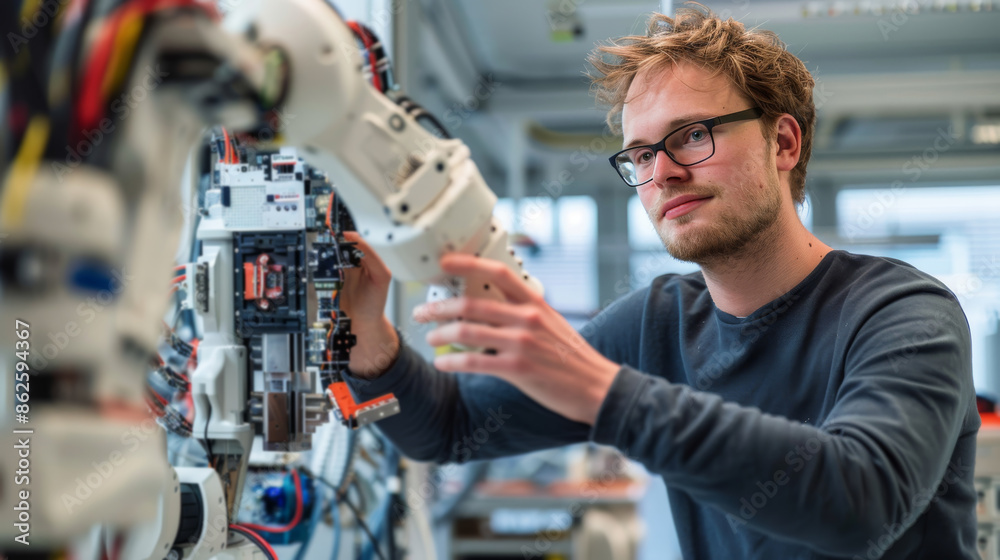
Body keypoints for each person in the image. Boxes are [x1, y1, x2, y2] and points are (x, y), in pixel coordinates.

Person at [338, 5, 979, 558]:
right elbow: (445, 428)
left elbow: (861, 503)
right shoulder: (657, 323)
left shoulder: (903, 313)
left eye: (692, 136)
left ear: (783, 143)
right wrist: (369, 340)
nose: (662, 173)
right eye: (642, 155)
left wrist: (601, 391)